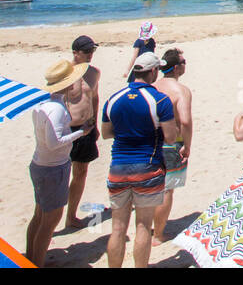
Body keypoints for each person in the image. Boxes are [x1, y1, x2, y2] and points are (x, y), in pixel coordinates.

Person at [100, 52, 179, 268]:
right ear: (153, 72)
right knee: (143, 225)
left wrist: (128, 131)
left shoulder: (113, 98)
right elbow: (171, 137)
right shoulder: (160, 100)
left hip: (118, 167)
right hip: (148, 166)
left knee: (117, 228)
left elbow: (106, 133)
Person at [26, 60, 89, 266]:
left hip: (41, 164)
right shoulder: (56, 108)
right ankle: (36, 262)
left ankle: (31, 257)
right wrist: (81, 133)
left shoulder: (42, 104)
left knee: (39, 215)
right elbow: (55, 142)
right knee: (50, 221)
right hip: (53, 167)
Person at [150, 48, 192, 245]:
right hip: (172, 143)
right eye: (184, 62)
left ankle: (146, 227)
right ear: (177, 68)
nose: (186, 65)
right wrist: (188, 146)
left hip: (150, 141)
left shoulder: (152, 86)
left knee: (150, 188)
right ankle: (158, 234)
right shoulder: (181, 91)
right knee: (166, 190)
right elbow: (185, 120)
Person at [64, 36, 102, 231]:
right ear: (75, 52)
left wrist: (95, 125)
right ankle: (57, 213)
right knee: (62, 173)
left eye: (92, 51)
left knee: (81, 173)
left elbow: (95, 98)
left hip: (85, 129)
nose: (90, 55)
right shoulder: (64, 73)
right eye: (86, 51)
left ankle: (71, 215)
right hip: (67, 129)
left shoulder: (94, 73)